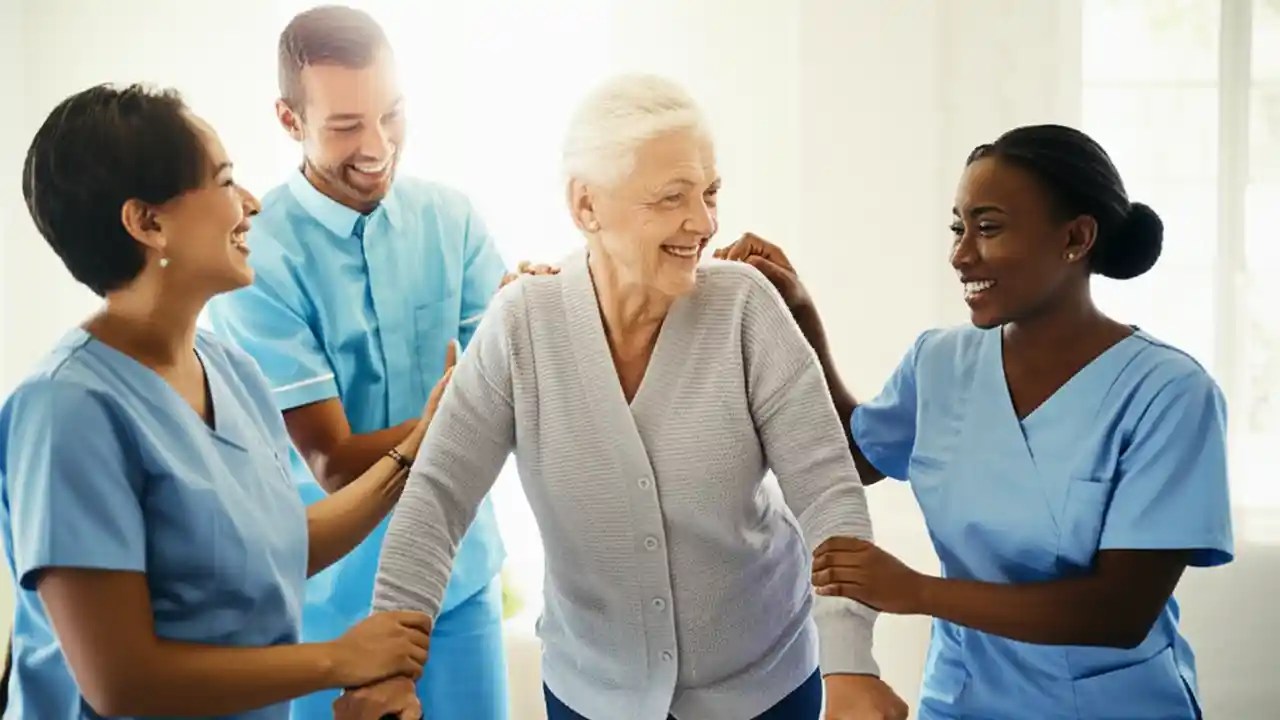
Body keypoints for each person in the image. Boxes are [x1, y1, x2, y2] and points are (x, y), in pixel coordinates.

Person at [334, 74, 909, 720]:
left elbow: (829, 493)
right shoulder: (522, 326)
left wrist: (851, 662)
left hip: (765, 688)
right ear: (586, 207)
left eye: (710, 192)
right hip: (591, 694)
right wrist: (387, 668)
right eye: (671, 198)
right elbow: (438, 499)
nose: (705, 222)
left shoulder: (746, 308)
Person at [717, 124, 1233, 719]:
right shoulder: (940, 362)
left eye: (988, 228)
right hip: (960, 701)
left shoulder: (1169, 394)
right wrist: (799, 311)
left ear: (1076, 237)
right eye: (958, 228)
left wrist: (915, 592)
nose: (961, 254)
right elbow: (854, 458)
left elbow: (1119, 613)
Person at [0, 83, 449, 719]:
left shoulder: (230, 368)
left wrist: (421, 443)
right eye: (224, 180)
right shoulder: (66, 410)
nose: (251, 204)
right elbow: (121, 681)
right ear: (147, 222)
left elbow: (279, 543)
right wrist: (337, 660)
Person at [205, 7, 547, 718]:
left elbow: (512, 387)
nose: (378, 145)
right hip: (331, 605)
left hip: (458, 587)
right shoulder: (253, 256)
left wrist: (537, 312)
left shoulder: (451, 219)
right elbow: (331, 461)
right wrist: (457, 416)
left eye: (391, 114)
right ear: (288, 119)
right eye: (345, 125)